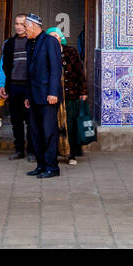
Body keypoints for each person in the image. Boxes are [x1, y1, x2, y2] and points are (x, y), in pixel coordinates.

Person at [23, 13, 62, 178]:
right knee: (36, 133)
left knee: (48, 132)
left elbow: (55, 68)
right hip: (34, 96)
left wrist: (53, 92)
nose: (23, 29)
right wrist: (27, 95)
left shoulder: (49, 41)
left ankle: (52, 167)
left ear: (33, 26)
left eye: (25, 26)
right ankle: (41, 165)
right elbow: (29, 72)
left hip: (47, 96)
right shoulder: (29, 44)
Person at [50, 27, 88, 166]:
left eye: (56, 35)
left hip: (70, 95)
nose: (54, 38)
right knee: (54, 125)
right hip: (54, 96)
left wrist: (83, 91)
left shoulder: (71, 52)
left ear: (61, 38)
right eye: (51, 36)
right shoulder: (47, 52)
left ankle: (72, 154)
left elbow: (79, 72)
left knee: (70, 125)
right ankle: (56, 153)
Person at [0, 14, 31, 160]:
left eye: (22, 24)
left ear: (27, 25)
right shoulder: (9, 43)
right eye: (16, 23)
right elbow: (3, 66)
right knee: (16, 121)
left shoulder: (33, 42)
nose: (19, 26)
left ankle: (32, 151)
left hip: (29, 87)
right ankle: (19, 150)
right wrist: (2, 84)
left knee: (31, 120)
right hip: (14, 87)